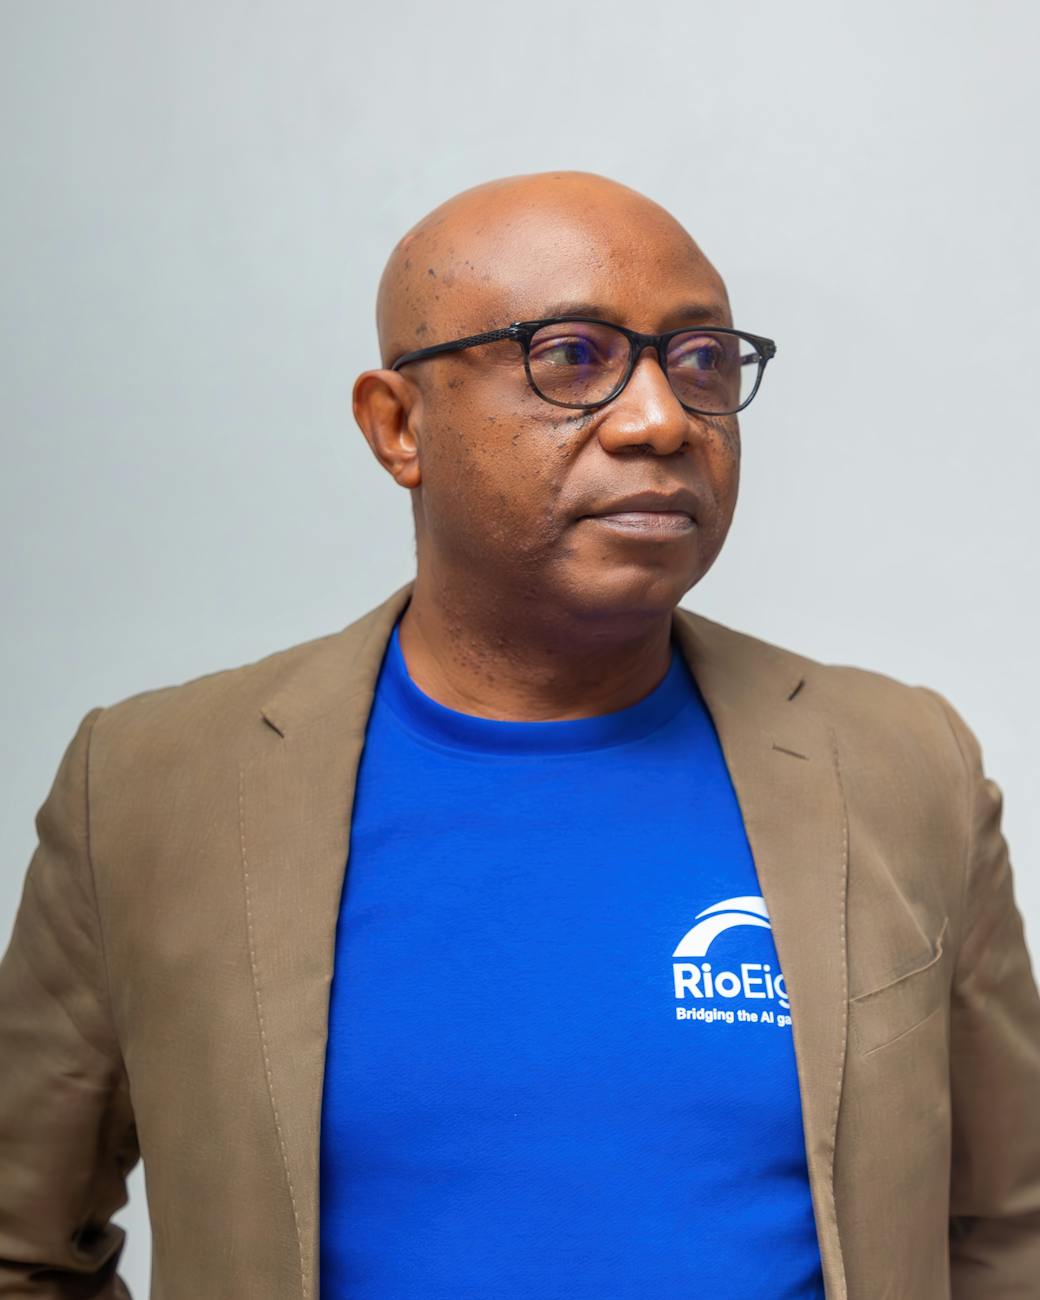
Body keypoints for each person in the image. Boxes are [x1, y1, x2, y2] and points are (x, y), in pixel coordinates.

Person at [1, 170, 1038, 1300]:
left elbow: (1010, 1232)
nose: (658, 420)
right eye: (571, 356)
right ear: (397, 426)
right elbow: (22, 1246)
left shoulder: (900, 765)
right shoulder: (152, 788)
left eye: (700, 363)